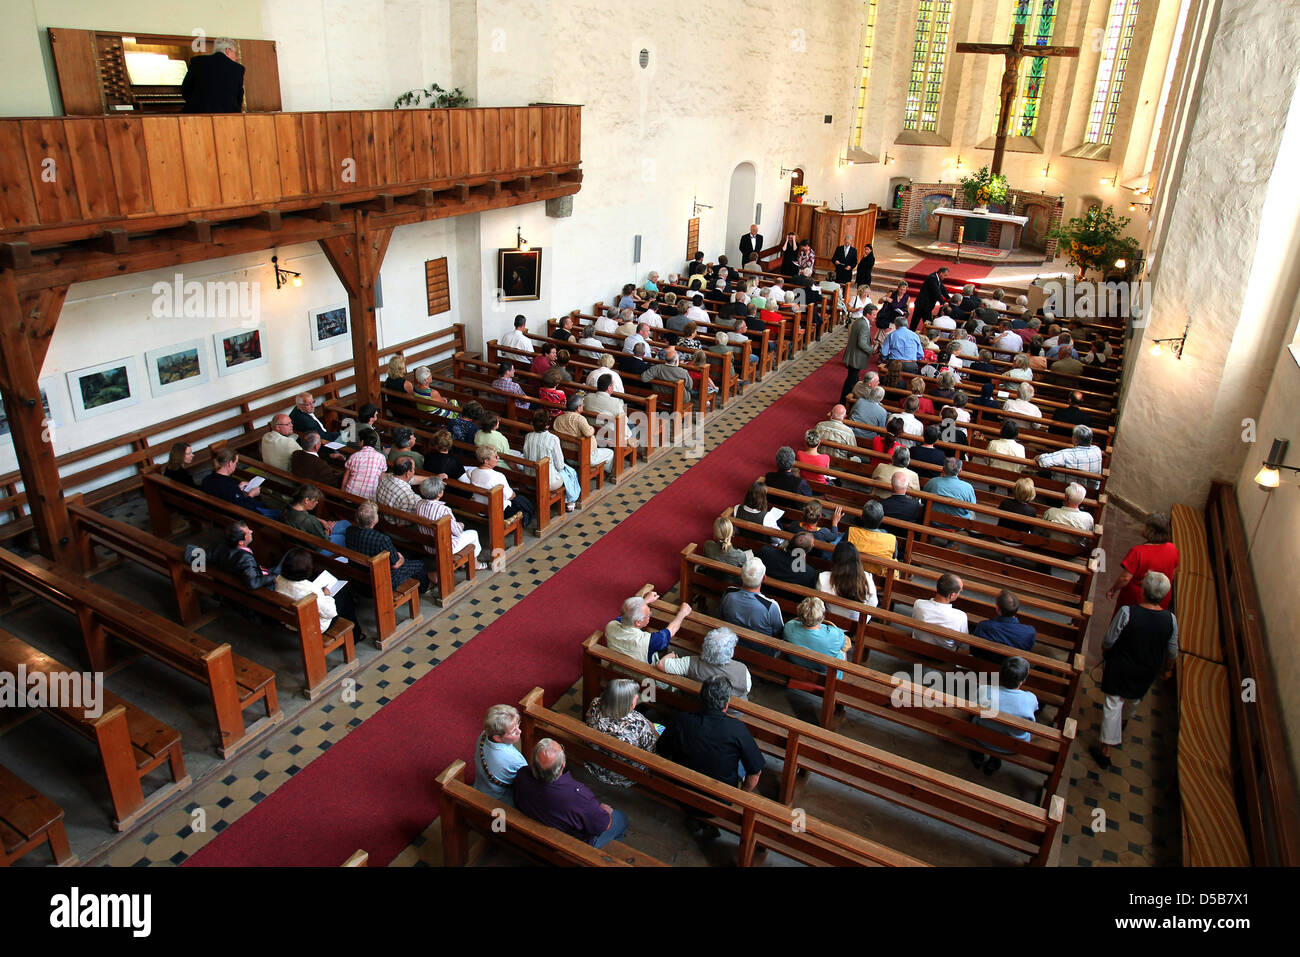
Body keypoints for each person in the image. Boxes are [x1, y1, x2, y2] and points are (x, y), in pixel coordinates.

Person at [657, 676, 764, 839]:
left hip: (681, 792)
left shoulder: (682, 720)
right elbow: (755, 772)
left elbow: (662, 750)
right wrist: (740, 796)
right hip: (720, 802)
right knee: (741, 760)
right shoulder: (737, 729)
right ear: (727, 704)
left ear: (701, 698)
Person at [1091, 572, 1178, 770]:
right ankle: (1122, 724)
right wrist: (1168, 669)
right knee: (1133, 699)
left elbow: (1109, 639)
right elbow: (1172, 649)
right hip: (1147, 669)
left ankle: (1106, 749)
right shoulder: (1170, 619)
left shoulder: (1127, 612)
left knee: (1113, 703)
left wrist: (1106, 653)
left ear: (1143, 591)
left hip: (1122, 664)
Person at [513, 738, 628, 848]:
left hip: (537, 824)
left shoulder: (522, 775)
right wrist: (607, 812)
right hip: (570, 844)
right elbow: (603, 826)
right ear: (562, 765)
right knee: (621, 818)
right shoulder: (579, 796)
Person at [583, 678, 660, 787]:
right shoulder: (638, 725)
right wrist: (654, 731)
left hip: (595, 763)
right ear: (626, 704)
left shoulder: (595, 703)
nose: (636, 697)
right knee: (655, 719)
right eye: (634, 697)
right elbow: (652, 752)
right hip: (623, 775)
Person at [969, 656, 1039, 774]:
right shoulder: (1030, 698)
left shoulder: (984, 690)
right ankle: (994, 761)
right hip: (1012, 746)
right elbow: (1034, 710)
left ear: (1000, 674)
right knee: (1006, 730)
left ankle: (978, 755)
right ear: (1022, 681)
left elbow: (972, 708)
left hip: (981, 736)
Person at [1104, 512, 1179, 612]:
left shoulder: (1138, 552)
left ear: (1150, 531)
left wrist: (1113, 589)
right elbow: (1173, 573)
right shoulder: (1172, 548)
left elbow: (1125, 578)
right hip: (1160, 598)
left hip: (1137, 600)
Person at [657, 626, 753, 700]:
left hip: (696, 704)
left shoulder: (690, 662)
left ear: (705, 646)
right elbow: (746, 690)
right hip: (732, 713)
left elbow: (661, 664)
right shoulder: (742, 670)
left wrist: (672, 655)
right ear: (730, 651)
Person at [415, 476, 484, 568]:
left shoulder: (419, 504)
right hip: (444, 546)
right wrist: (461, 525)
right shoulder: (444, 510)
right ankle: (475, 564)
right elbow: (458, 533)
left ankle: (465, 561)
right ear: (440, 493)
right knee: (473, 533)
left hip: (428, 545)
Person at [275, 546, 344, 637]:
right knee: (342, 595)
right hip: (313, 626)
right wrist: (327, 596)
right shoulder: (311, 590)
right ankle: (355, 634)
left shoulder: (279, 579)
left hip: (290, 620)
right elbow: (330, 613)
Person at [604, 591, 690, 663]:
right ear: (638, 622)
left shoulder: (610, 626)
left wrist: (644, 602)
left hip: (619, 669)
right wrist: (682, 614)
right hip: (643, 679)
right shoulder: (648, 641)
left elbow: (627, 616)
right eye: (648, 615)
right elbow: (671, 630)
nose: (650, 616)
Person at [522, 409, 581, 512]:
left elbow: (526, 456)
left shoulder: (528, 436)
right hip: (548, 482)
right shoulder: (553, 439)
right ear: (548, 425)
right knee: (571, 473)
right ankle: (570, 501)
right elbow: (559, 465)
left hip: (530, 478)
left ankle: (569, 499)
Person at [463, 446, 535, 528]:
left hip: (480, 509)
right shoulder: (498, 476)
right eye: (495, 457)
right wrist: (514, 494)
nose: (498, 458)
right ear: (486, 461)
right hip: (498, 511)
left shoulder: (474, 472)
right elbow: (510, 496)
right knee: (522, 501)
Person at [782, 596, 851, 678]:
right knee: (843, 646)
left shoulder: (789, 626)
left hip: (796, 663)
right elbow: (844, 645)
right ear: (822, 617)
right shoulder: (834, 634)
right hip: (826, 671)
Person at [201, 448, 280, 518]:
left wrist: (238, 489)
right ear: (230, 464)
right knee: (280, 514)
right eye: (236, 463)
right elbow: (243, 508)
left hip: (218, 514)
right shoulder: (230, 485)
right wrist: (251, 494)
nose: (236, 466)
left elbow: (224, 493)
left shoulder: (207, 479)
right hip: (237, 517)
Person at [720, 558, 784, 642]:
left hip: (730, 643)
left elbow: (721, 615)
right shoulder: (771, 606)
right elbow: (779, 632)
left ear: (741, 576)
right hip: (760, 650)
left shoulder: (729, 593)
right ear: (764, 578)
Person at [473, 704, 527, 805]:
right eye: (513, 731)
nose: (520, 731)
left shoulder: (484, 735)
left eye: (518, 724)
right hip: (500, 801)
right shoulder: (514, 759)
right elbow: (526, 781)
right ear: (497, 738)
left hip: (480, 786)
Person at [553, 393, 615, 475]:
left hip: (567, 457)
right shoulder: (579, 419)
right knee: (610, 452)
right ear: (578, 408)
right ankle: (603, 474)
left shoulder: (558, 419)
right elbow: (588, 433)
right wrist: (592, 428)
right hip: (584, 457)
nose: (584, 405)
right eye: (582, 405)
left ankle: (599, 472)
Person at [181, 37, 244, 113]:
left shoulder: (197, 62)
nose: (236, 57)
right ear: (227, 51)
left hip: (197, 114)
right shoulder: (238, 68)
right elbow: (239, 98)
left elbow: (185, 90)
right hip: (227, 115)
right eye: (235, 53)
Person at [971, 589, 1036, 661]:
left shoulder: (984, 626)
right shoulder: (1029, 632)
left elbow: (974, 651)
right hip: (1013, 668)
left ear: (998, 609)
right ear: (1017, 609)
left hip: (984, 665)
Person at [211, 520, 276, 591]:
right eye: (248, 533)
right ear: (241, 542)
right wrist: (272, 577)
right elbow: (252, 583)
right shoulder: (245, 558)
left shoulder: (219, 547)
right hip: (248, 590)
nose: (251, 531)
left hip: (227, 583)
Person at [281, 483, 350, 549]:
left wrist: (321, 520)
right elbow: (324, 540)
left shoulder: (288, 507)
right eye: (315, 500)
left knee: (345, 524)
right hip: (314, 548)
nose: (317, 502)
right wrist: (327, 530)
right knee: (343, 535)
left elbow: (305, 518)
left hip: (294, 541)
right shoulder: (309, 521)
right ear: (307, 500)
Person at [911, 573, 967, 651]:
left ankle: (917, 663)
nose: (959, 594)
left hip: (918, 648)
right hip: (944, 656)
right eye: (959, 592)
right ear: (952, 595)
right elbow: (961, 642)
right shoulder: (960, 617)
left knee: (919, 660)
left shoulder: (919, 604)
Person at [1036, 424, 1103, 489]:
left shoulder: (1067, 454)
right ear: (1090, 439)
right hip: (1091, 490)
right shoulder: (1097, 450)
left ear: (1075, 439)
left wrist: (1038, 457)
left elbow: (1043, 460)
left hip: (1068, 489)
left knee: (1041, 473)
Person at [846, 499, 896, 578]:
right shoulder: (892, 540)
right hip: (881, 578)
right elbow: (894, 558)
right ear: (882, 519)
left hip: (852, 573)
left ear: (861, 517)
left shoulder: (850, 532)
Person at [840, 303, 876, 403]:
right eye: (874, 314)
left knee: (851, 380)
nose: (875, 317)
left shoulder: (860, 321)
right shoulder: (863, 324)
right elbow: (862, 343)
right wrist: (872, 350)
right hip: (856, 357)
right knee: (851, 382)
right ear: (868, 315)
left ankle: (845, 401)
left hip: (854, 355)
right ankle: (844, 401)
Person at [924, 457, 977, 521]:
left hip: (932, 520)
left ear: (943, 469)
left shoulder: (932, 482)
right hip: (958, 524)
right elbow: (972, 507)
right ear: (960, 471)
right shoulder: (968, 487)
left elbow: (923, 500)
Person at [341, 428, 387, 500]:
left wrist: (342, 491)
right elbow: (381, 479)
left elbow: (346, 476)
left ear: (362, 442)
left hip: (349, 496)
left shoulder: (354, 456)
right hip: (369, 499)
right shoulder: (381, 458)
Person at [780, 499, 845, 545]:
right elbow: (834, 536)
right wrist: (835, 523)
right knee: (842, 535)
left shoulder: (794, 525)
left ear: (804, 513)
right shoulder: (823, 532)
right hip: (818, 556)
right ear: (820, 516)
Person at [910, 266, 948, 331]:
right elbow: (936, 291)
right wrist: (943, 302)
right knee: (917, 322)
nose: (945, 277)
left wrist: (948, 298)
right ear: (941, 273)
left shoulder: (937, 278)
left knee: (926, 323)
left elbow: (942, 288)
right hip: (922, 305)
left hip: (927, 306)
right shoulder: (932, 278)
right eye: (945, 275)